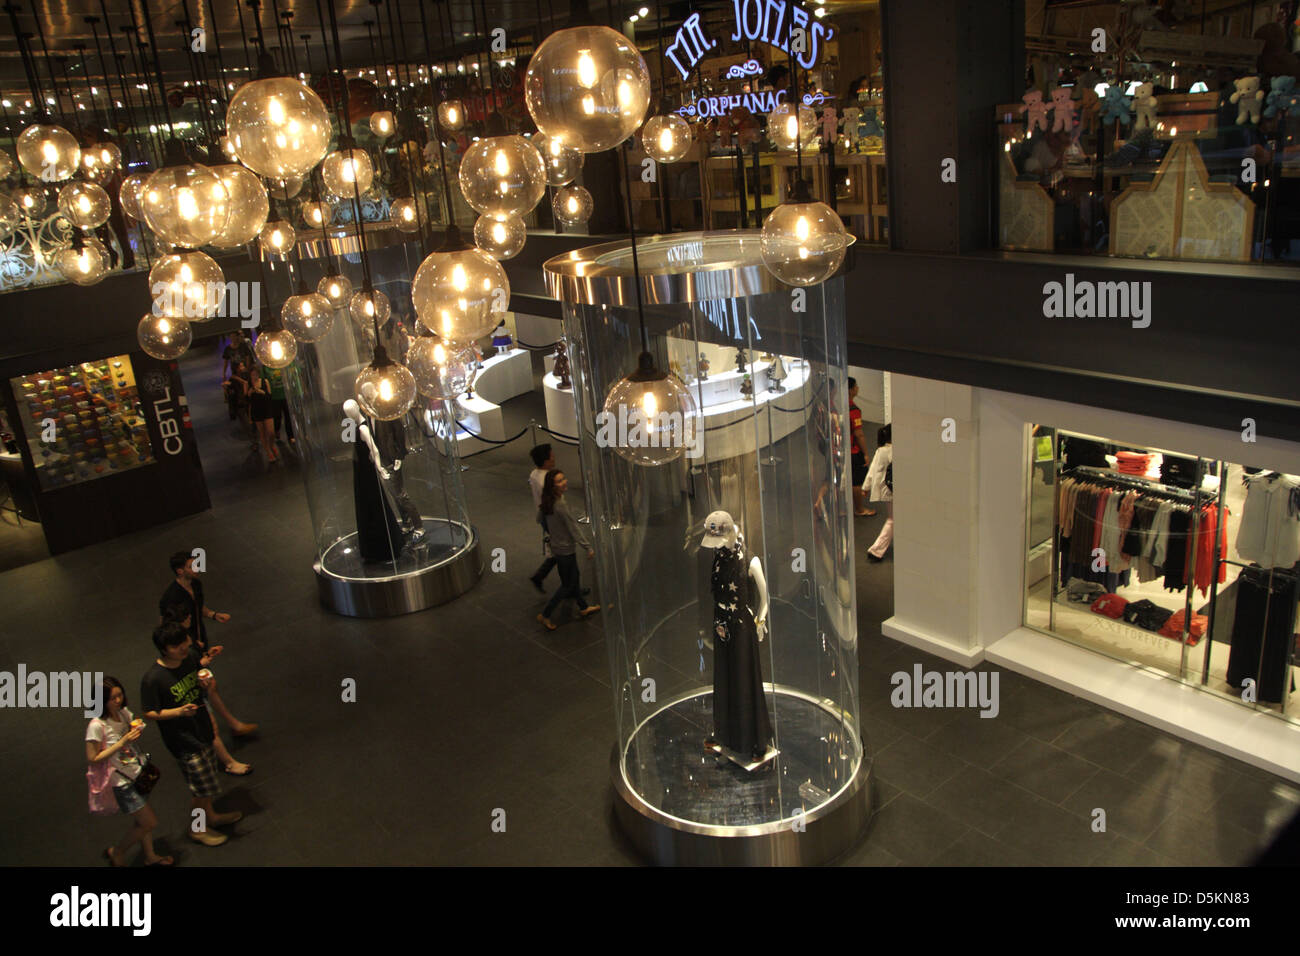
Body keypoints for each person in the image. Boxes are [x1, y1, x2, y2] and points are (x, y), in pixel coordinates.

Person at [139, 624, 243, 848]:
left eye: (184, 642)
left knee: (206, 784)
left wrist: (203, 682)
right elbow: (149, 712)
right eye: (177, 646)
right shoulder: (153, 679)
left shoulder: (189, 658)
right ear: (164, 649)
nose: (184, 648)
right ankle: (197, 829)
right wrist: (178, 712)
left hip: (203, 728)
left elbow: (199, 675)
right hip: (183, 741)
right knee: (200, 790)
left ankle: (211, 816)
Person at [160, 550, 257, 738]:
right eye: (191, 566)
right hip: (187, 647)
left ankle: (225, 726)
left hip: (197, 642)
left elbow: (198, 607)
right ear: (180, 571)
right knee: (206, 687)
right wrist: (189, 645)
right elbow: (167, 627)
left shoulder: (195, 585)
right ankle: (223, 728)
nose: (196, 568)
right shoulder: (170, 597)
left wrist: (213, 614)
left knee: (208, 685)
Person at [86, 676, 174, 866]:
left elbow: (133, 728)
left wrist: (136, 729)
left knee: (142, 823)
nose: (118, 700)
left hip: (136, 771)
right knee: (149, 822)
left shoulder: (123, 712)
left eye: (120, 695)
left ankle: (150, 856)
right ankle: (117, 852)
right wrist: (122, 742)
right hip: (122, 781)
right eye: (112, 698)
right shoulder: (96, 726)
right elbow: (92, 758)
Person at [161, 603, 251, 776]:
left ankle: (232, 733)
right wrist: (202, 663)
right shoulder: (178, 651)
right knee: (210, 727)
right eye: (187, 618)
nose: (190, 619)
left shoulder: (183, 644)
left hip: (196, 690)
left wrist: (206, 656)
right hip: (191, 696)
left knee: (209, 724)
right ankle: (229, 763)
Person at [537, 469, 600, 630]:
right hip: (566, 550)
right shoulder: (561, 505)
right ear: (553, 487)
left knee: (575, 578)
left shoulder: (547, 503)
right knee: (567, 585)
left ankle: (583, 607)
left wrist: (553, 532)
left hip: (557, 548)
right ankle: (545, 614)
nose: (564, 482)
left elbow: (540, 519)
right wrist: (588, 547)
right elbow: (574, 529)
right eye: (559, 481)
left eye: (563, 478)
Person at [527, 444, 557, 592]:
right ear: (546, 461)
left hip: (543, 516)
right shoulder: (547, 480)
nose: (554, 458)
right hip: (551, 518)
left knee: (558, 551)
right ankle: (539, 576)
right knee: (560, 551)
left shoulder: (534, 474)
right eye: (552, 456)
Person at [866, 423, 893, 562]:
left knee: (892, 519)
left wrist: (866, 487)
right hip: (893, 491)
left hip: (885, 490)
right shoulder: (894, 451)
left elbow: (872, 470)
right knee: (892, 521)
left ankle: (877, 550)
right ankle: (876, 550)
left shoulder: (880, 450)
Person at [848, 377, 875, 517]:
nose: (858, 388)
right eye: (856, 386)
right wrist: (865, 453)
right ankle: (859, 509)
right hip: (853, 451)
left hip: (840, 448)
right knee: (857, 481)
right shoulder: (854, 410)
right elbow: (859, 434)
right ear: (851, 389)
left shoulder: (837, 405)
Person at [247, 367, 279, 464]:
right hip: (256, 410)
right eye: (252, 375)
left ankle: (271, 444)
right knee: (262, 432)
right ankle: (268, 452)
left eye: (256, 374)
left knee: (271, 431)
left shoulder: (265, 382)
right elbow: (246, 400)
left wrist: (262, 392)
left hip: (266, 409)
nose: (254, 376)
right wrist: (250, 392)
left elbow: (269, 396)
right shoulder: (247, 384)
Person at [264, 364, 294, 445]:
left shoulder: (284, 363)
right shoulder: (266, 366)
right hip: (274, 397)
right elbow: (263, 380)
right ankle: (276, 430)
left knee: (288, 416)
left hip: (286, 395)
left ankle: (291, 436)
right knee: (277, 416)